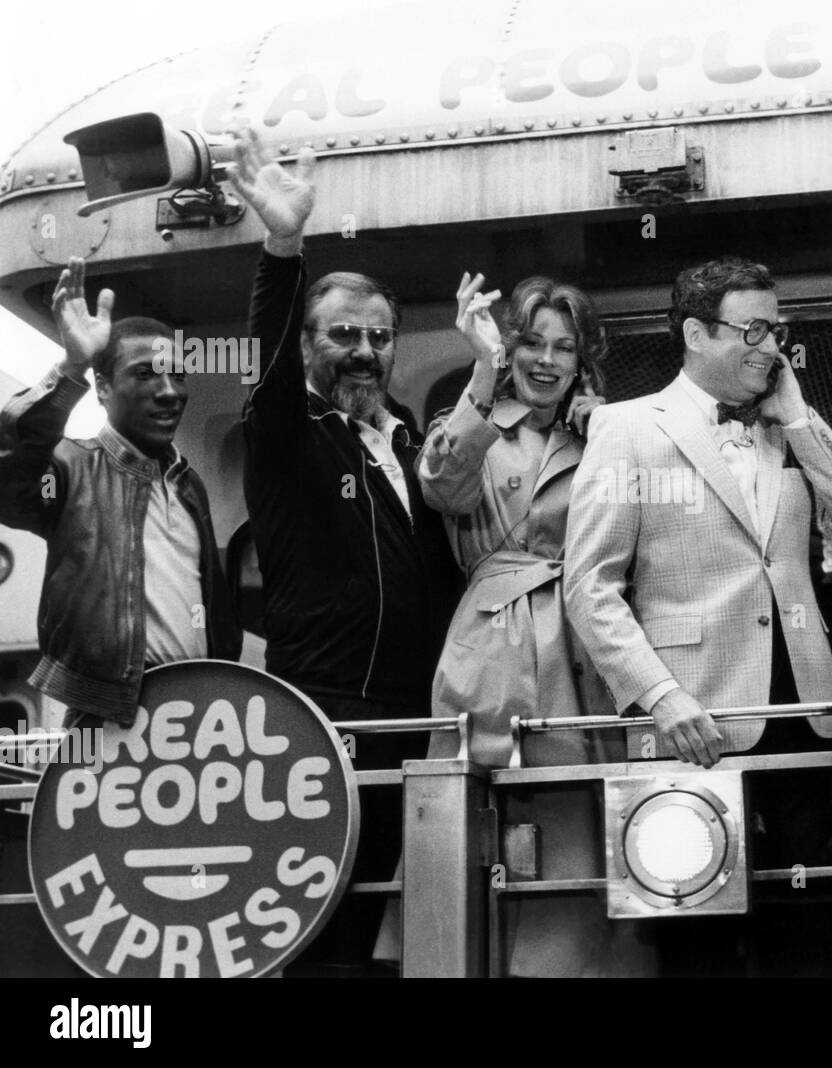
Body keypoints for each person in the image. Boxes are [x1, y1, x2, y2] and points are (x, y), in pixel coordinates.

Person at [564, 256, 832, 973]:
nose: (770, 347)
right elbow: (589, 585)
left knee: (811, 939)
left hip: (803, 714)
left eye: (776, 329)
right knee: (696, 943)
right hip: (692, 723)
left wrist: (800, 419)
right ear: (696, 334)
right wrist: (660, 695)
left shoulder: (788, 425)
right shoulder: (627, 428)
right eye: (753, 330)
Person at [228, 128, 461, 975]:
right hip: (326, 722)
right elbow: (264, 354)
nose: (364, 351)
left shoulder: (411, 445)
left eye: (378, 336)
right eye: (342, 336)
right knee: (315, 928)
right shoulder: (287, 433)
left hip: (422, 720)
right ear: (305, 347)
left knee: (392, 928)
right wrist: (283, 246)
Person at [412, 271, 651, 976]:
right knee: (480, 824)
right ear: (509, 349)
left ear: (584, 359)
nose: (546, 361)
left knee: (582, 826)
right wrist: (482, 372)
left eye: (565, 347)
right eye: (532, 344)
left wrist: (605, 430)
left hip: (588, 645)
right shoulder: (477, 423)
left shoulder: (607, 434)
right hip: (491, 645)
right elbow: (440, 485)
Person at [0, 258, 240, 727]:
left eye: (177, 375)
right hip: (104, 717)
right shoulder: (71, 467)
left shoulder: (188, 484)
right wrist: (70, 367)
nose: (170, 391)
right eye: (147, 374)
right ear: (104, 388)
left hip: (200, 712)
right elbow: (10, 475)